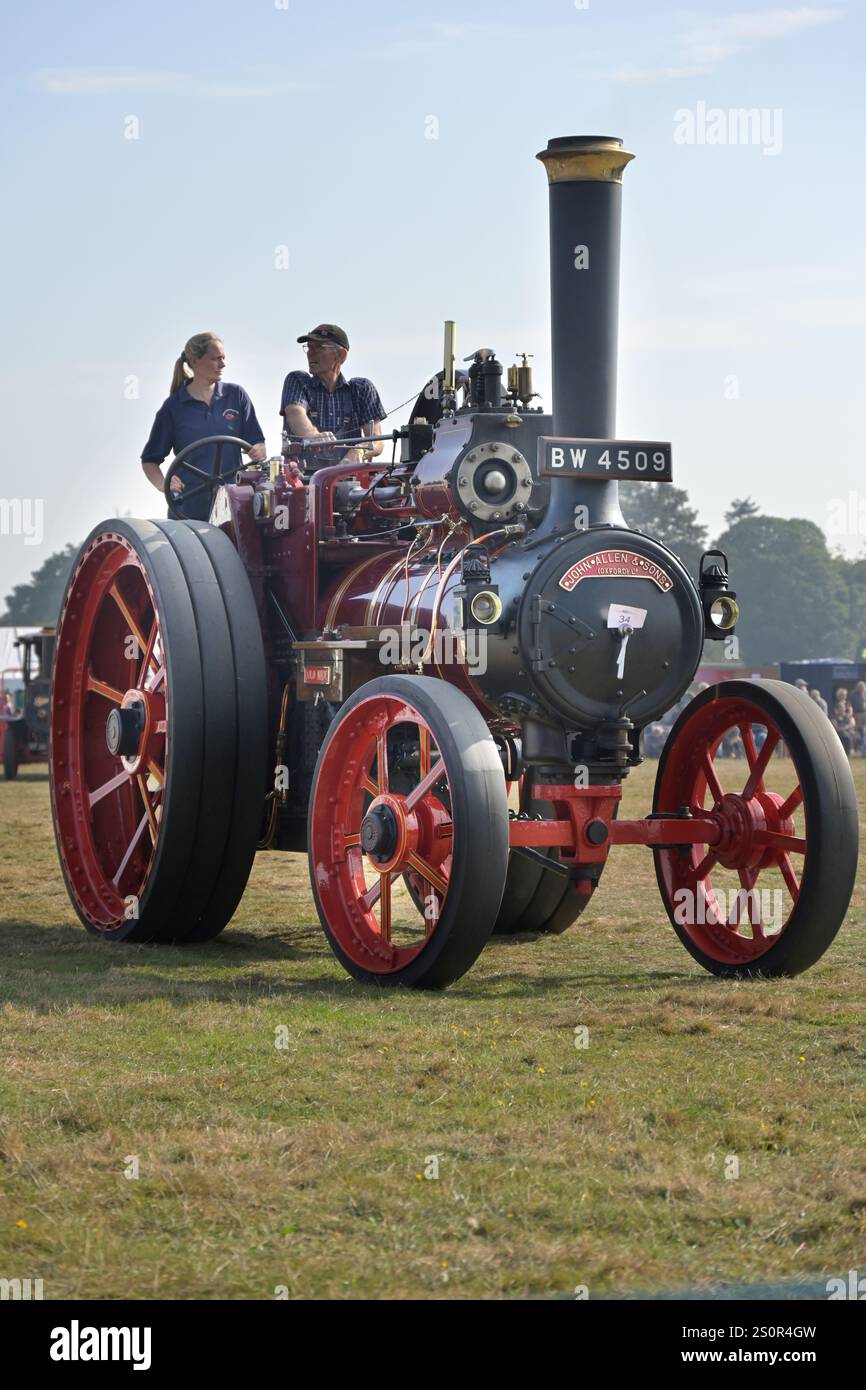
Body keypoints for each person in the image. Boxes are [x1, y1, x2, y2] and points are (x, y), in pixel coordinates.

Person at [141, 333, 267, 521]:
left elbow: (258, 444)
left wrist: (259, 450)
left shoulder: (236, 395)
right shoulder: (173, 407)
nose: (223, 364)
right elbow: (149, 461)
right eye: (216, 359)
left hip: (234, 505)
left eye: (223, 358)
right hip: (189, 507)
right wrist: (163, 483)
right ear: (195, 361)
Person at [280, 323, 386, 471]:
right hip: (302, 481)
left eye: (319, 348)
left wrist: (359, 450)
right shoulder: (298, 380)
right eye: (309, 347)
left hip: (349, 483)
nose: (311, 353)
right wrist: (313, 436)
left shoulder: (361, 389)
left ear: (341, 355)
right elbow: (295, 413)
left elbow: (377, 441)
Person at [831, 688, 856, 754]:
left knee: (851, 733)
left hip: (846, 721)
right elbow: (834, 716)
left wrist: (849, 718)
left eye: (845, 695)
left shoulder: (848, 704)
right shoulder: (835, 704)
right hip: (839, 722)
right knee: (845, 734)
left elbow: (850, 714)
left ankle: (851, 750)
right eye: (842, 695)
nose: (844, 696)